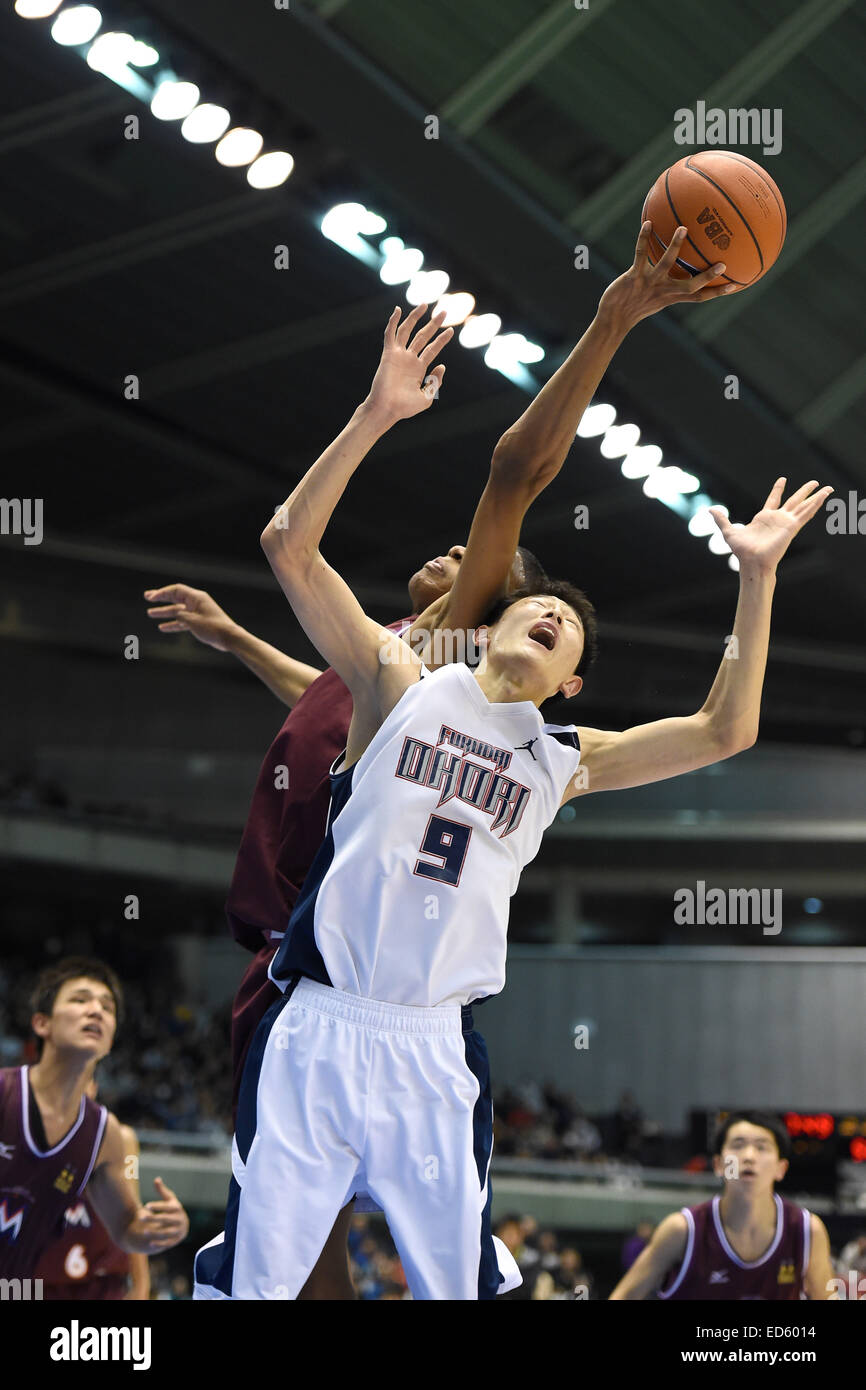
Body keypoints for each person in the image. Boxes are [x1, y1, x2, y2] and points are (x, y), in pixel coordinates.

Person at [192, 244, 830, 1297]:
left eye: (569, 626)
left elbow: (723, 730)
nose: (550, 612)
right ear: (482, 632)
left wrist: (753, 580)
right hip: (315, 1015)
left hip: (432, 1046)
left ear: (571, 682)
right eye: (540, 605)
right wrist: (374, 416)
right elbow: (288, 543)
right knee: (264, 1288)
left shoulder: (559, 759)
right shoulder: (402, 677)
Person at [0, 958, 189, 1279]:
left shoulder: (106, 1136)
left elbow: (128, 1230)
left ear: (110, 1040)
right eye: (79, 1000)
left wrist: (166, 1228)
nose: (96, 1011)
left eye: (107, 1007)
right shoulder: (4, 1091)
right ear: (41, 1023)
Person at [609, 1113, 837, 1299]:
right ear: (718, 1165)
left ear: (781, 1168)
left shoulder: (807, 1230)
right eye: (738, 1146)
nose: (749, 1156)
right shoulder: (682, 1230)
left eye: (762, 1147)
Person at [34, 1077, 150, 1300]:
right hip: (38, 1282)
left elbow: (133, 1212)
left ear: (93, 1088)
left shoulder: (121, 1139)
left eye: (82, 1083)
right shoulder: (30, 1137)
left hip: (101, 1282)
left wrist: (141, 1285)